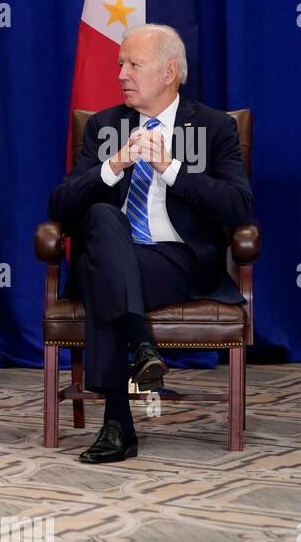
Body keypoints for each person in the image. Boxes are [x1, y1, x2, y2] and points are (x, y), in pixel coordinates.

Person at [48, 24, 253, 463]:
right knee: (102, 218)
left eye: (133, 64)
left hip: (175, 260)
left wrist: (171, 166)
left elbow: (238, 205)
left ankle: (118, 424)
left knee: (99, 272)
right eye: (120, 64)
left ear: (169, 72)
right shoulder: (105, 126)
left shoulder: (214, 128)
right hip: (110, 253)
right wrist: (115, 164)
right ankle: (140, 347)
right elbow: (61, 204)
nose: (121, 73)